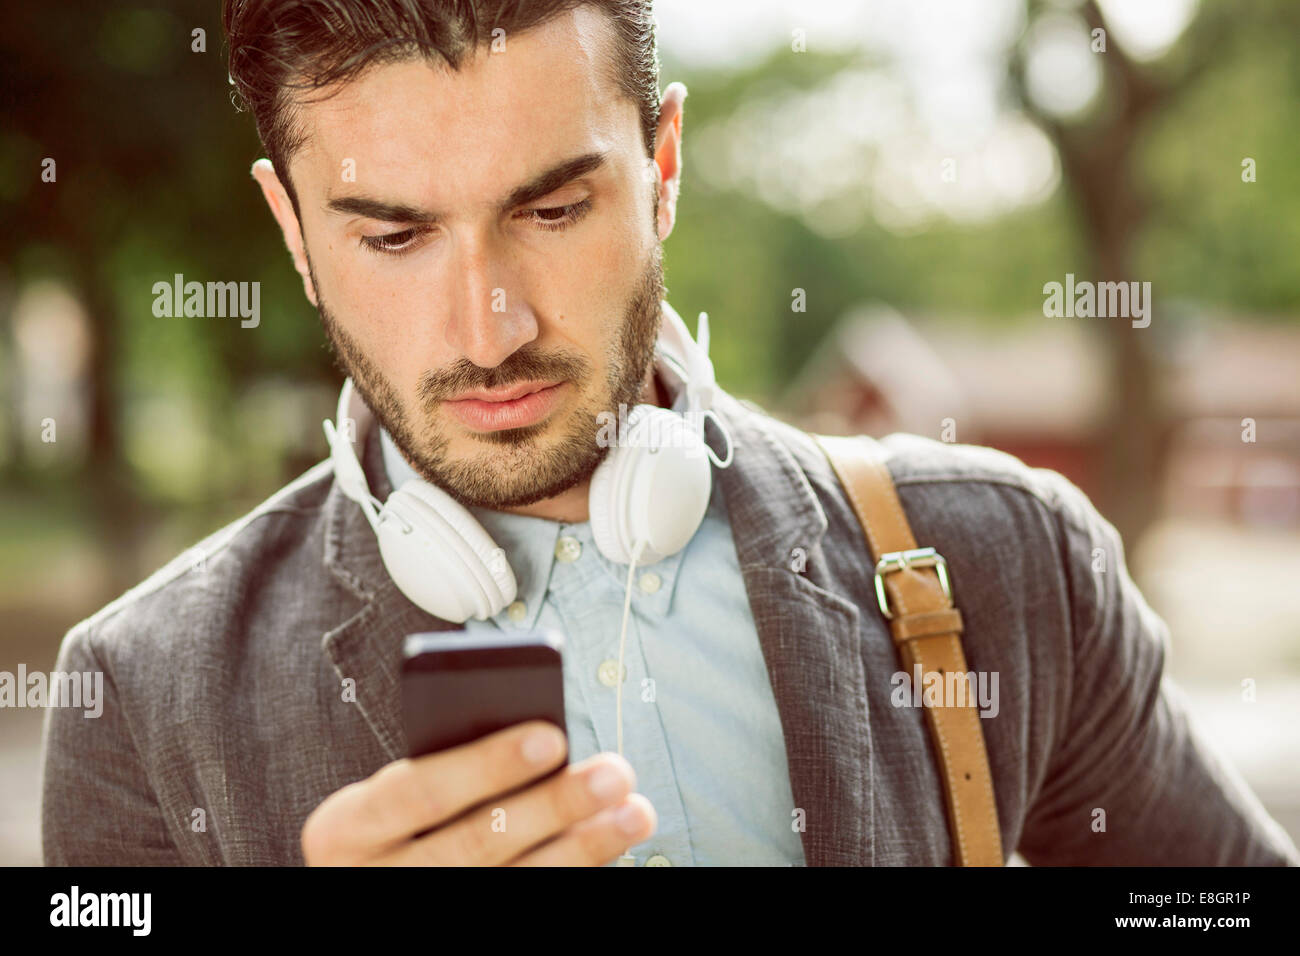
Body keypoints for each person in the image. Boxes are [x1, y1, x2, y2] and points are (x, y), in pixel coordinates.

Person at [41, 0, 1299, 867]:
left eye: (551, 207)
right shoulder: (142, 700)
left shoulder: (1009, 560)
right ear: (292, 233)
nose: (488, 328)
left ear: (665, 162)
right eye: (393, 234)